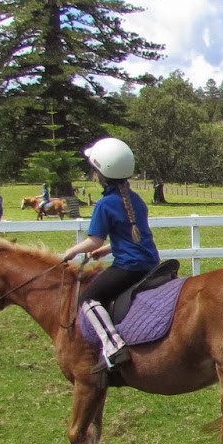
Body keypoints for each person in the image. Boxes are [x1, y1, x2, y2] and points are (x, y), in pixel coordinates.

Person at [62, 137, 160, 374]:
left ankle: (114, 345)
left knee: (88, 299)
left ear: (100, 173)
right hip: (151, 263)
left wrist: (70, 251)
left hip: (129, 267)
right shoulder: (136, 200)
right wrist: (107, 250)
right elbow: (133, 237)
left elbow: (94, 239)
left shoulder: (106, 204)